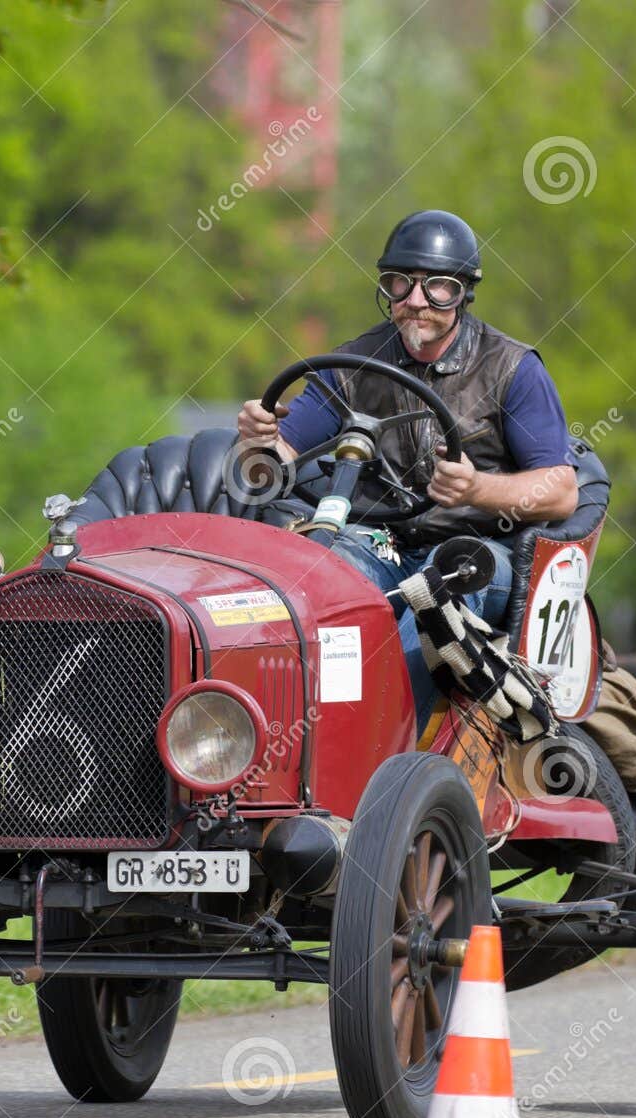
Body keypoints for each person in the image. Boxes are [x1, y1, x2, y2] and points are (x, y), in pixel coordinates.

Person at [237, 209, 578, 732]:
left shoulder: (513, 369)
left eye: (437, 287)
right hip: (382, 542)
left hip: (477, 549)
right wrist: (256, 441)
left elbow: (562, 491)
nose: (416, 300)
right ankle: (311, 732)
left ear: (464, 293)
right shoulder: (352, 365)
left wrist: (477, 489)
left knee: (434, 588)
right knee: (323, 573)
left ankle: (394, 745)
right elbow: (276, 461)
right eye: (401, 283)